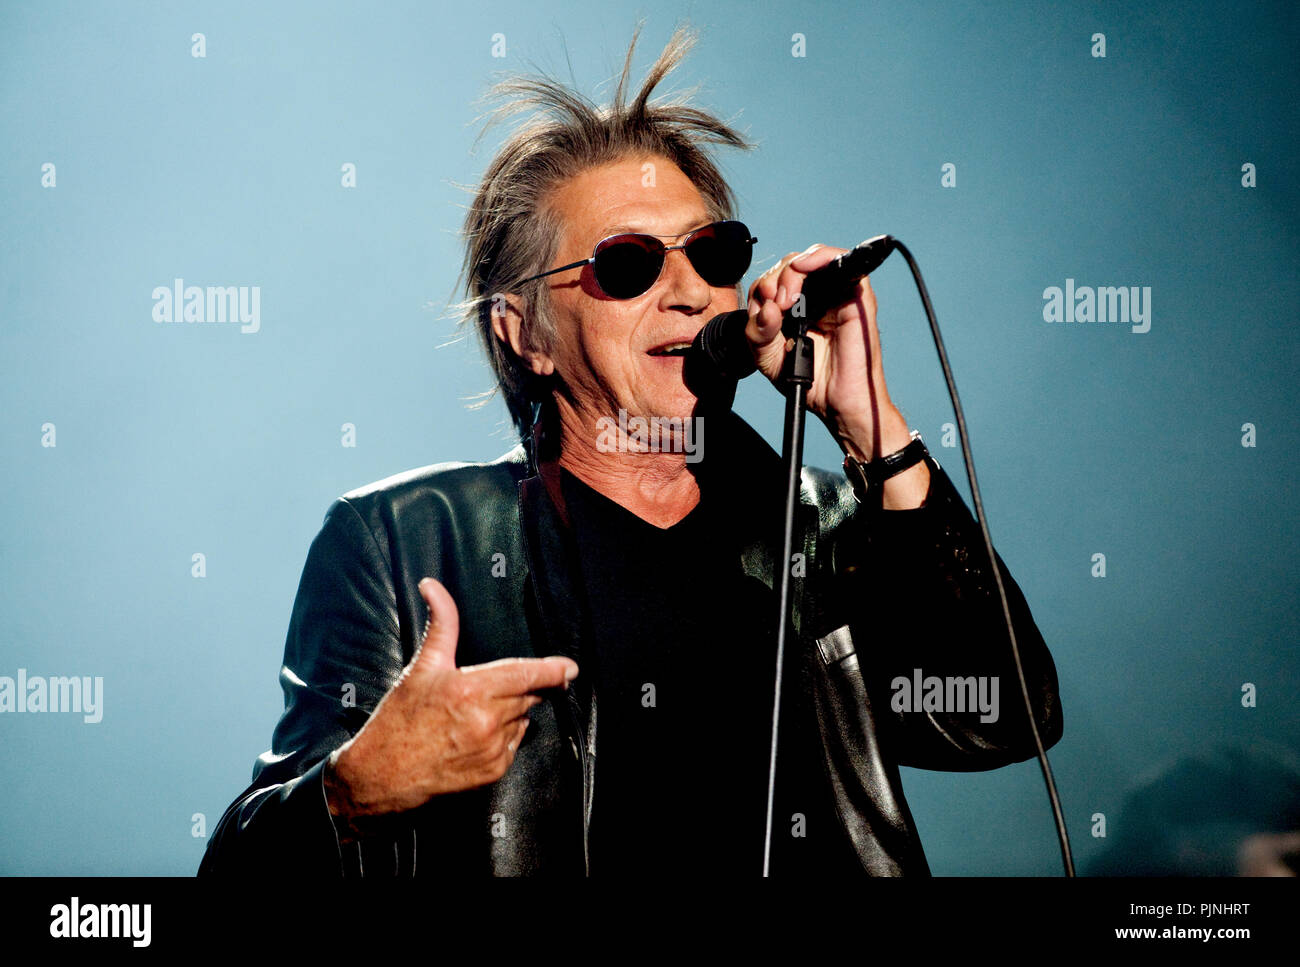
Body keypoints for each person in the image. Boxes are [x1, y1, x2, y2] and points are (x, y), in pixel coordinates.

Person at [199, 26, 1062, 878]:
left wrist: (872, 432)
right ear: (524, 330)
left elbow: (1006, 715)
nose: (689, 291)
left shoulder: (824, 524)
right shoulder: (403, 543)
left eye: (713, 252)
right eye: (628, 264)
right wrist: (349, 794)